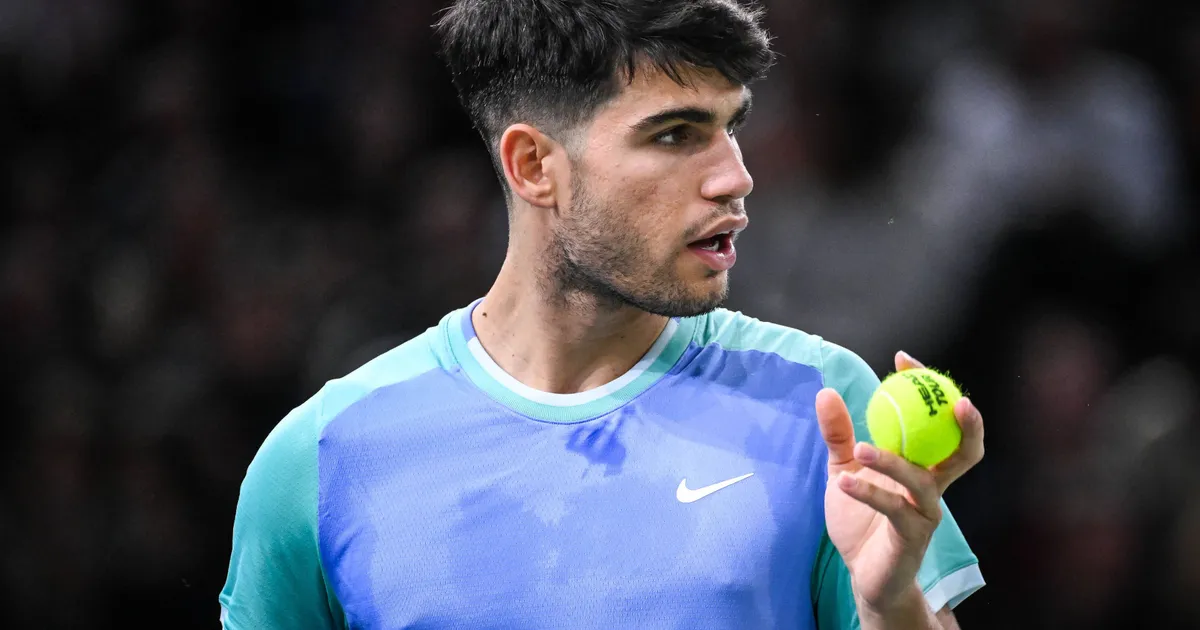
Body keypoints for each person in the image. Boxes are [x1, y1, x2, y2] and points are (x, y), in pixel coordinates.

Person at [218, 1, 986, 628]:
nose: (736, 178)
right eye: (676, 134)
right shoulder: (321, 460)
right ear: (534, 167)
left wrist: (892, 611)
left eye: (732, 128)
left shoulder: (823, 411)